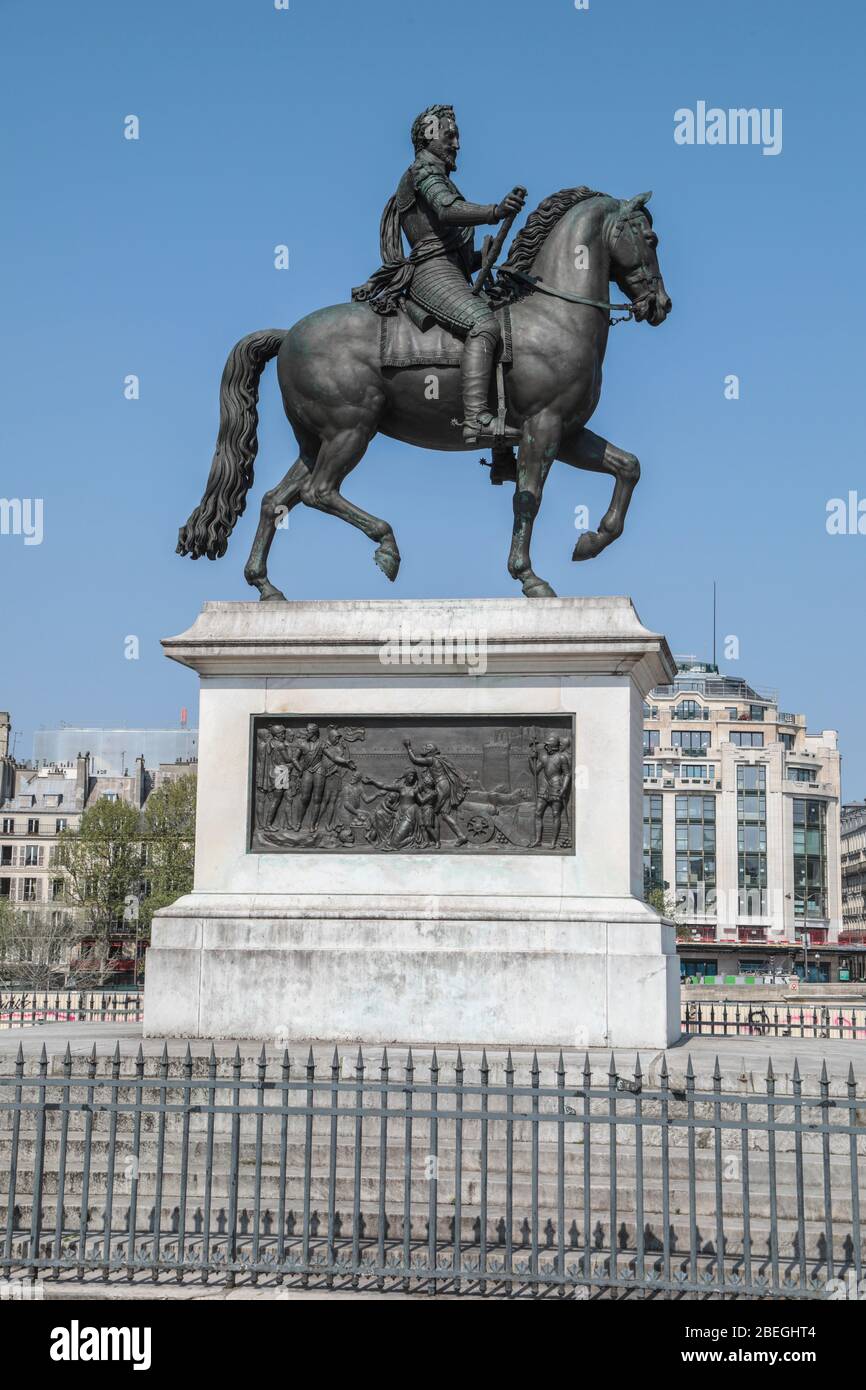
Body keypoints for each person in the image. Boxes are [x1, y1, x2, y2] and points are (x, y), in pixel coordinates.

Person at [352, 103, 525, 446]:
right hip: (431, 274)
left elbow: (449, 244)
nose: (457, 144)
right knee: (483, 324)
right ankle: (476, 419)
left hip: (449, 270)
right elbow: (447, 212)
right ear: (429, 137)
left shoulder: (436, 175)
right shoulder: (423, 172)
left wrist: (480, 258)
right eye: (450, 135)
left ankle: (504, 444)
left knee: (508, 324)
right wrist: (495, 211)